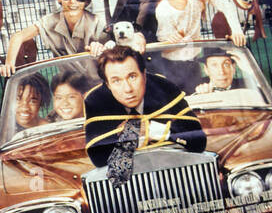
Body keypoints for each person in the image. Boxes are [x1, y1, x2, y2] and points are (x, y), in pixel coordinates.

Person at [83, 46, 206, 182]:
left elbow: (198, 141)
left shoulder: (164, 88)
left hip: (178, 176)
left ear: (144, 75)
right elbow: (98, 158)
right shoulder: (96, 101)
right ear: (108, 84)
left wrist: (151, 129)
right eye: (116, 81)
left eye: (132, 76)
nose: (127, 89)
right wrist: (134, 130)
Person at [1, 0, 106, 75]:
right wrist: (9, 64)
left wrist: (100, 47)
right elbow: (18, 36)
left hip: (98, 83)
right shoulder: (49, 21)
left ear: (87, 1)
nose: (73, 1)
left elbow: (113, 49)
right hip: (68, 85)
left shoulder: (98, 23)